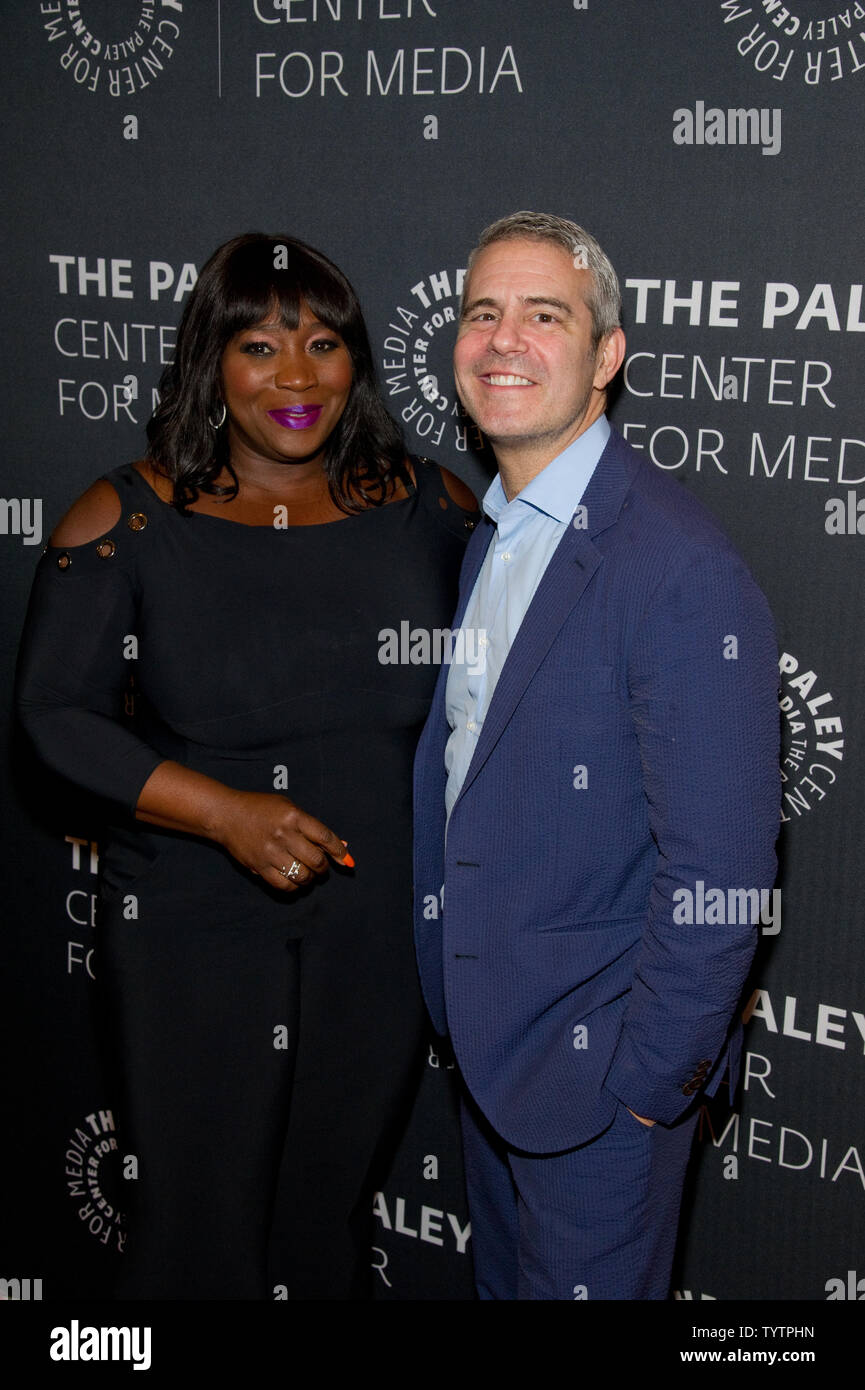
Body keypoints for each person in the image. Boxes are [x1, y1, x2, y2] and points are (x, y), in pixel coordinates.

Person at [17, 232, 477, 1300]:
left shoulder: (425, 506)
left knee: (321, 1224)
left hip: (372, 933)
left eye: (322, 343)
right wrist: (225, 814)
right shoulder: (131, 516)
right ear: (209, 361)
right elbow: (50, 717)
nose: (297, 376)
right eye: (260, 346)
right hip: (194, 930)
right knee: (195, 1237)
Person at [413, 211, 780, 1301]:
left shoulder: (678, 569)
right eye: (483, 313)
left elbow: (718, 871)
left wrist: (642, 1091)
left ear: (606, 356)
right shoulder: (495, 531)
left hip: (596, 1093)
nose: (503, 340)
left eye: (543, 314)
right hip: (491, 1055)